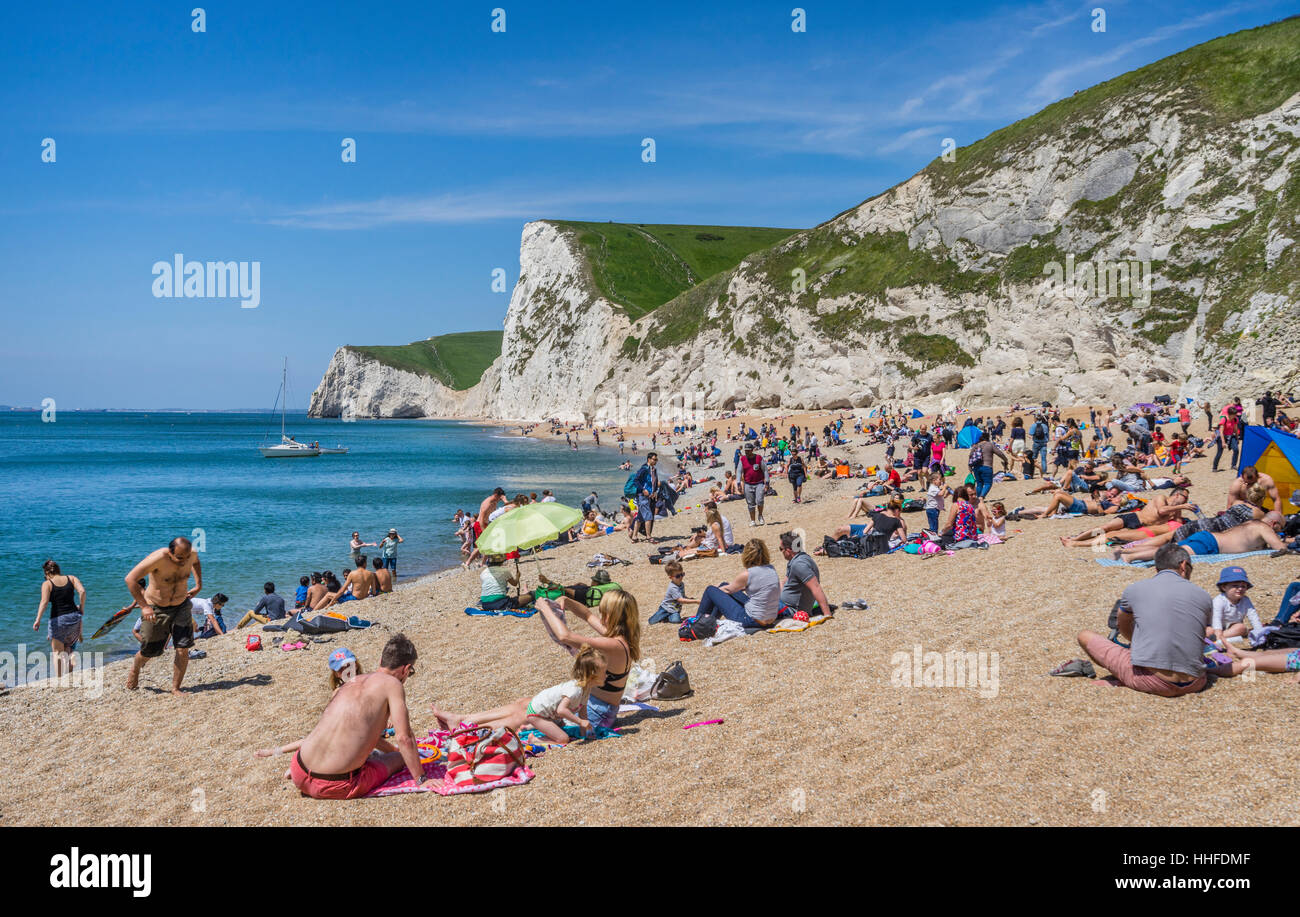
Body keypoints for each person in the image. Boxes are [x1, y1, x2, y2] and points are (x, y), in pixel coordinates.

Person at [259, 634, 425, 799]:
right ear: (405, 669)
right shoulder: (392, 685)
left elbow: (366, 736)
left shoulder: (351, 683)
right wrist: (421, 779)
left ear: (381, 659)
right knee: (402, 757)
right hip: (333, 785)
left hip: (298, 770)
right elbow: (404, 738)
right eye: (410, 672)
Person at [1074, 543, 1232, 697]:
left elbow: (1122, 624)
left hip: (1152, 681)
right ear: (1184, 566)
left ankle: (1122, 676)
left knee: (1084, 635)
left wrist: (1134, 645)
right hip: (1196, 682)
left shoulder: (1134, 589)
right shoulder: (1204, 595)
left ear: (1157, 568)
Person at [429, 645, 607, 745]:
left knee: (523, 713)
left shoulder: (586, 687)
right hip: (553, 709)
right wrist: (582, 723)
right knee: (524, 706)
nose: (607, 675)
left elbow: (580, 709)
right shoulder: (578, 688)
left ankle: (467, 726)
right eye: (604, 672)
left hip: (554, 711)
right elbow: (570, 709)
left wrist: (585, 728)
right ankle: (463, 720)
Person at [534, 589, 640, 732]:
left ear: (613, 616)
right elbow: (587, 615)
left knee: (528, 712)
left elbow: (565, 636)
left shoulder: (613, 645)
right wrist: (567, 601)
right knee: (527, 705)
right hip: (596, 707)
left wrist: (544, 607)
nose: (601, 618)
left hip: (596, 714)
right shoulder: (621, 638)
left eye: (603, 613)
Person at [123, 536, 202, 695]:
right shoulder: (158, 558)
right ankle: (135, 670)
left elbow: (196, 562)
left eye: (186, 558)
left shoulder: (191, 555)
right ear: (170, 553)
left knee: (183, 648)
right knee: (149, 652)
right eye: (179, 558)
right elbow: (130, 579)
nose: (183, 561)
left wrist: (198, 585)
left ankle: (175, 688)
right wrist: (144, 606)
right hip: (157, 608)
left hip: (181, 605)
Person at [694, 538, 782, 627]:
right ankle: (709, 622)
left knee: (710, 590)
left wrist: (715, 592)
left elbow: (728, 590)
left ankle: (695, 624)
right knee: (724, 585)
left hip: (751, 620)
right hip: (770, 617)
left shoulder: (747, 574)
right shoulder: (771, 569)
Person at [34, 560, 86, 678]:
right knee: (69, 647)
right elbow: (82, 591)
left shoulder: (47, 584)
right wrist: (81, 608)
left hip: (58, 620)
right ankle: (70, 674)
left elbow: (44, 602)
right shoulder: (71, 578)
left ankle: (59, 679)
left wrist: (38, 620)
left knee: (57, 652)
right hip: (75, 618)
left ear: (47, 573)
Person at [778, 530, 832, 618]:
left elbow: (816, 587)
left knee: (753, 608)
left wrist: (827, 614)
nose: (781, 552)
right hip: (785, 604)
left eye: (781, 549)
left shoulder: (799, 565)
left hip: (792, 610)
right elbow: (784, 583)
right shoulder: (796, 559)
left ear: (788, 550)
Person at [1208, 566, 1262, 647]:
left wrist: (1260, 631)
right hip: (1214, 627)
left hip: (1231, 627)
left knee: (1241, 628)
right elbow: (1216, 618)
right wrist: (1218, 632)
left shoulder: (1245, 600)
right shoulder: (1219, 601)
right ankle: (1217, 637)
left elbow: (1253, 616)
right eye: (1235, 586)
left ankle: (1218, 638)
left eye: (1243, 586)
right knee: (1208, 631)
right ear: (1224, 587)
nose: (1240, 588)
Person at [629, 452, 661, 543]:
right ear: (649, 459)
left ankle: (634, 537)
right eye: (654, 459)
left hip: (649, 496)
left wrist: (654, 492)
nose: (656, 461)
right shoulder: (644, 469)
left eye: (656, 460)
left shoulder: (653, 469)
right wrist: (643, 490)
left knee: (640, 516)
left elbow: (654, 481)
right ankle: (648, 537)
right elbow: (636, 480)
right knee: (648, 515)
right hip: (642, 495)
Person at [739, 442, 768, 526]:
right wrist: (738, 482)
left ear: (752, 450)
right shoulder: (743, 459)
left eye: (748, 450)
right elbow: (739, 471)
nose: (746, 452)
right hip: (748, 484)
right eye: (745, 451)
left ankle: (760, 515)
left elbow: (765, 470)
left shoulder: (758, 458)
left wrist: (767, 482)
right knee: (750, 503)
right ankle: (752, 520)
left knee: (760, 501)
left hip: (759, 483)